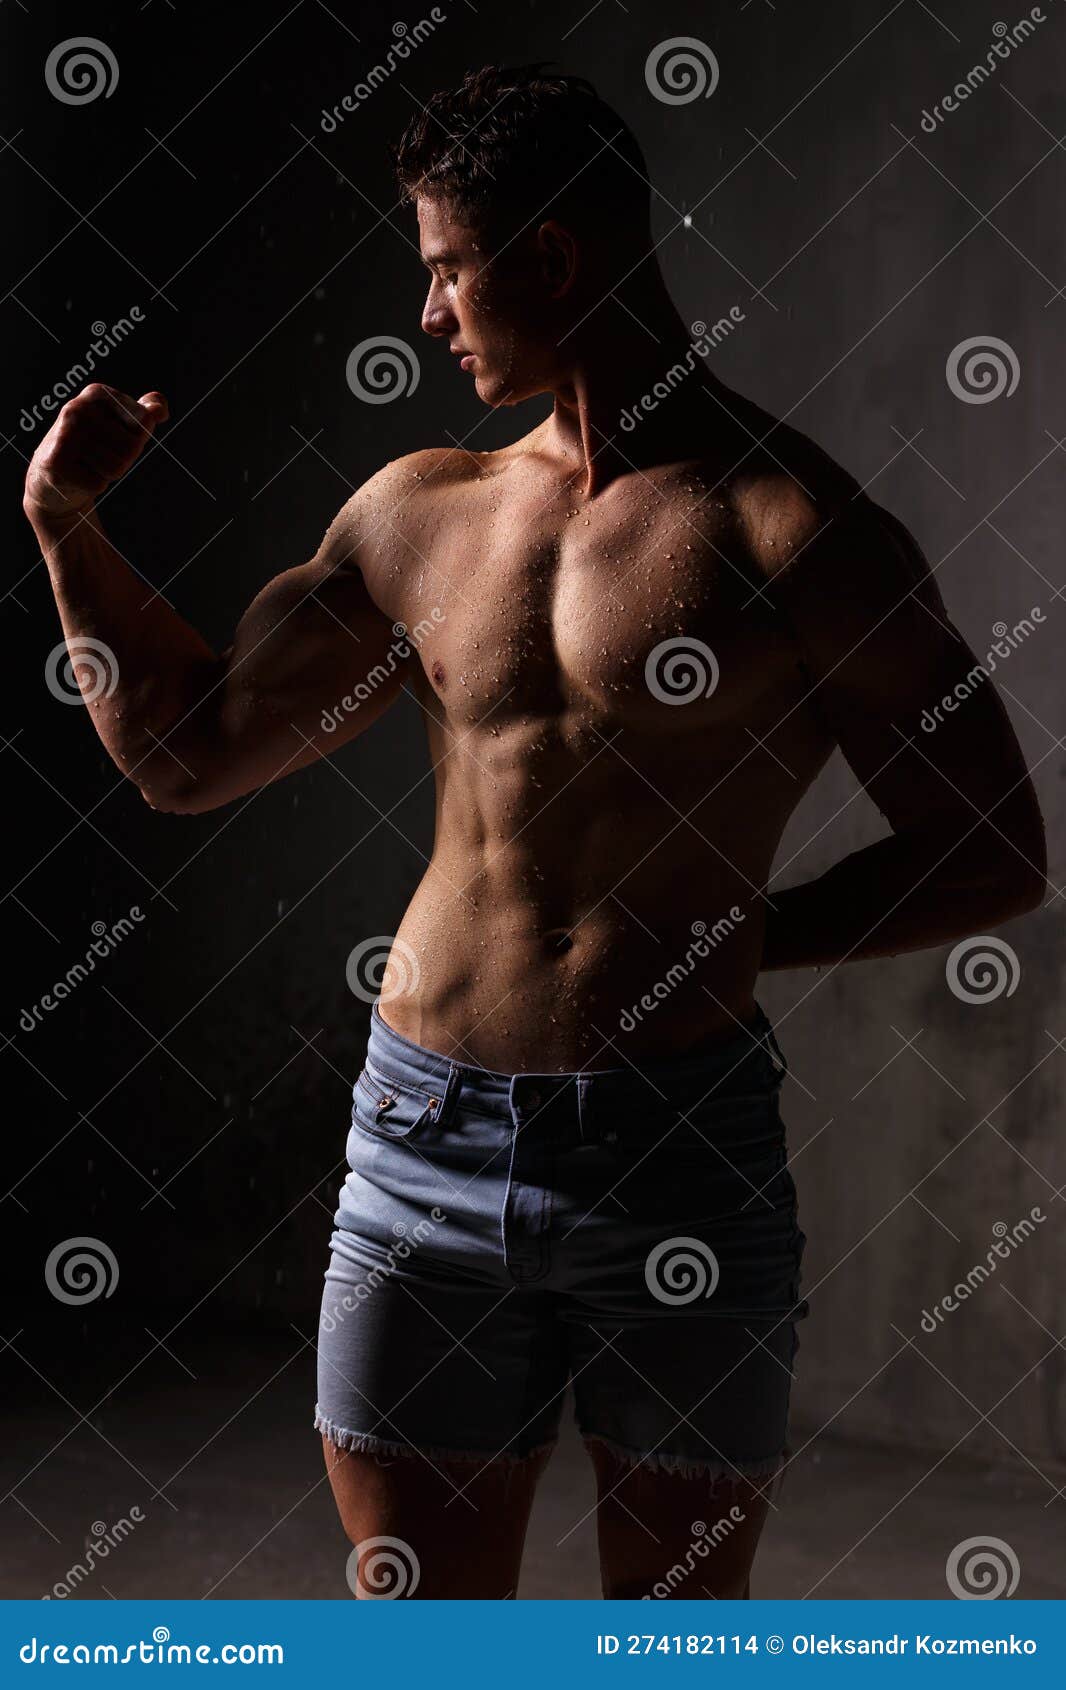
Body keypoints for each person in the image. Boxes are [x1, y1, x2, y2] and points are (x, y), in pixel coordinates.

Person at [22, 63, 1046, 1600]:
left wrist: (740, 937)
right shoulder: (417, 514)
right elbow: (182, 755)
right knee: (427, 1635)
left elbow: (991, 848)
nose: (427, 311)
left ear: (551, 257)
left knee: (672, 1641)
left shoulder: (794, 535)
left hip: (676, 1154)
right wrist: (67, 531)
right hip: (422, 1141)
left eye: (447, 267)